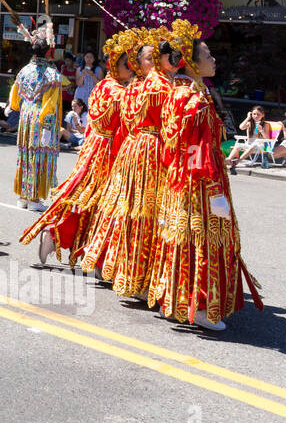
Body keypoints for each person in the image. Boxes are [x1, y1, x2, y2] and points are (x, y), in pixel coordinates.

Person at [150, 28, 263, 331]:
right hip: (198, 181)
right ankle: (198, 305)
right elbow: (199, 153)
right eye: (208, 55)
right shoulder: (195, 100)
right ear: (191, 61)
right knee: (202, 239)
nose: (214, 59)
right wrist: (216, 191)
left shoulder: (177, 91)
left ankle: (172, 299)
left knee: (180, 237)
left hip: (178, 179)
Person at [21, 29, 139, 266]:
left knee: (86, 202)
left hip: (89, 148)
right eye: (130, 65)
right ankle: (74, 243)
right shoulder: (120, 92)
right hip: (108, 154)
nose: (133, 69)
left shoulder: (104, 87)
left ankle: (57, 234)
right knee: (99, 204)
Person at [78, 26, 173, 299]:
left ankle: (110, 263)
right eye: (148, 57)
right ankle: (135, 274)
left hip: (128, 153)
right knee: (142, 214)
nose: (155, 61)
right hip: (144, 154)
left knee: (124, 211)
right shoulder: (154, 87)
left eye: (157, 56)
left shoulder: (132, 87)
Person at [7, 32, 70, 211]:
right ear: (50, 51)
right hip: (41, 119)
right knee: (39, 156)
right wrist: (48, 127)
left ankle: (23, 196)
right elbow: (50, 104)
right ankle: (34, 199)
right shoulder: (51, 75)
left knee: (25, 154)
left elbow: (14, 98)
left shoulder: (24, 70)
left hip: (25, 117)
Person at [225, 105, 273, 169]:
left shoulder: (265, 124)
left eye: (258, 114)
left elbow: (267, 138)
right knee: (238, 145)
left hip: (260, 146)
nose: (256, 116)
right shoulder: (250, 123)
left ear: (263, 115)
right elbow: (241, 127)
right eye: (254, 114)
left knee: (253, 145)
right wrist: (248, 118)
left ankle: (237, 161)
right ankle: (229, 159)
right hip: (249, 144)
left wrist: (261, 130)